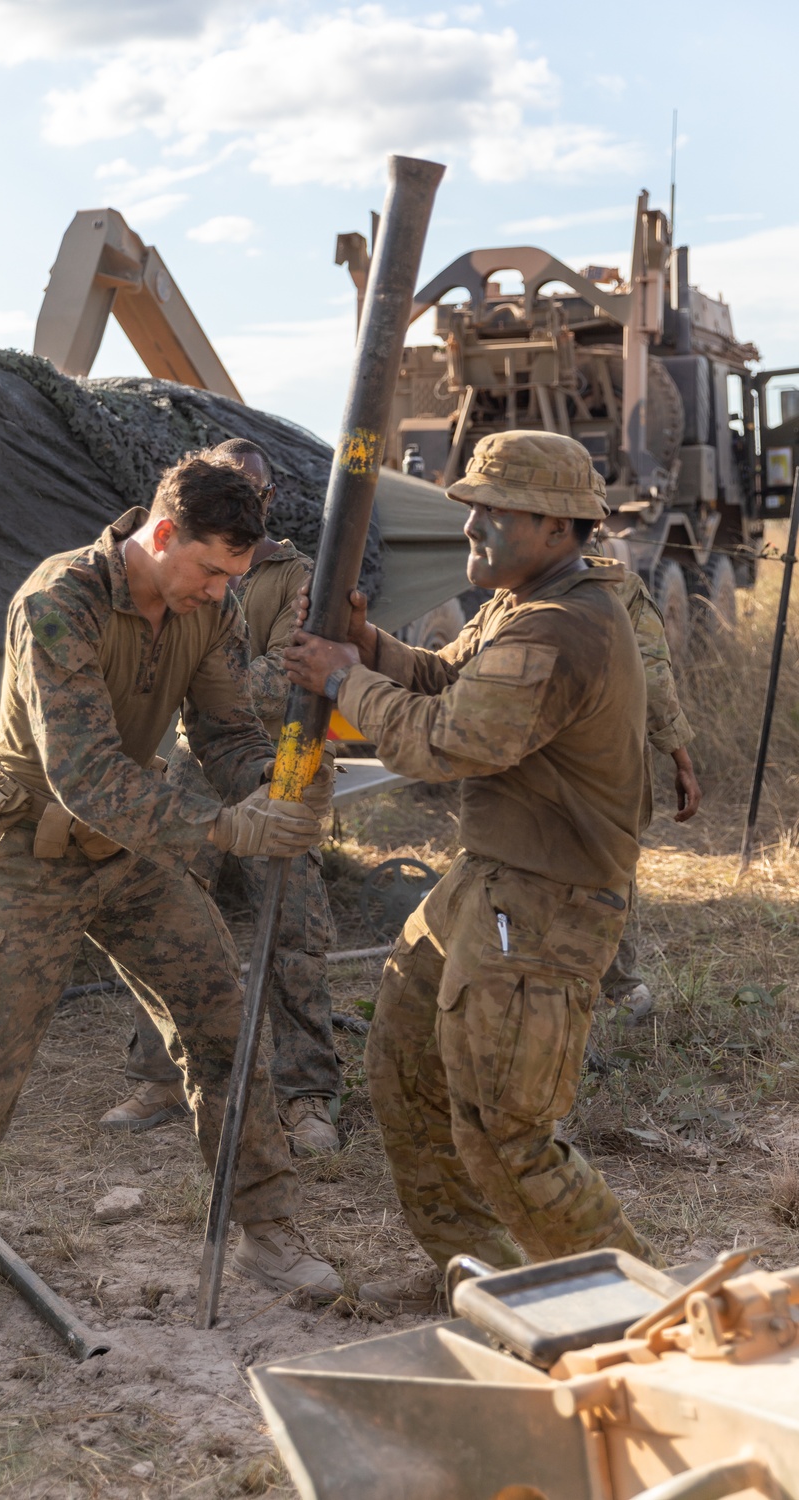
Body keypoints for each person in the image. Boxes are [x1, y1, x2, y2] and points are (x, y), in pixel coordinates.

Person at [0, 455, 342, 1335]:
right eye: (209, 570)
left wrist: (275, 791)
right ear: (162, 536)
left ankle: (267, 1233)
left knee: (223, 1023)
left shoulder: (214, 604)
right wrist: (232, 830)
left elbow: (229, 732)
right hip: (27, 851)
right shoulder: (59, 603)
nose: (219, 591)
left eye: (235, 576)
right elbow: (83, 773)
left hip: (135, 850)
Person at [285, 430, 662, 1314]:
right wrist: (370, 645)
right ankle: (478, 1274)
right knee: (405, 1068)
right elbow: (441, 682)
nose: (475, 526)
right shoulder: (522, 604)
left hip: (545, 905)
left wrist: (344, 680)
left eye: (498, 511)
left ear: (559, 527)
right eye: (473, 507)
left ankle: (650, 1315)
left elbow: (449, 742)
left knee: (506, 1132)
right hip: (490, 880)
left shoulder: (561, 627)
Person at [101, 439, 343, 1154]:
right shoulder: (153, 573)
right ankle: (159, 1076)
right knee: (167, 913)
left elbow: (287, 674)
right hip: (194, 763)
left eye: (246, 490)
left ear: (265, 503)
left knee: (294, 921)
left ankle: (307, 1093)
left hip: (280, 762)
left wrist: (205, 675)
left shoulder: (302, 577)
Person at [591, 559, 701, 1019]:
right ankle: (616, 986)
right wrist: (681, 760)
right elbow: (653, 678)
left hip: (528, 759)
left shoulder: (511, 580)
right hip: (606, 755)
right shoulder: (621, 587)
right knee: (612, 864)